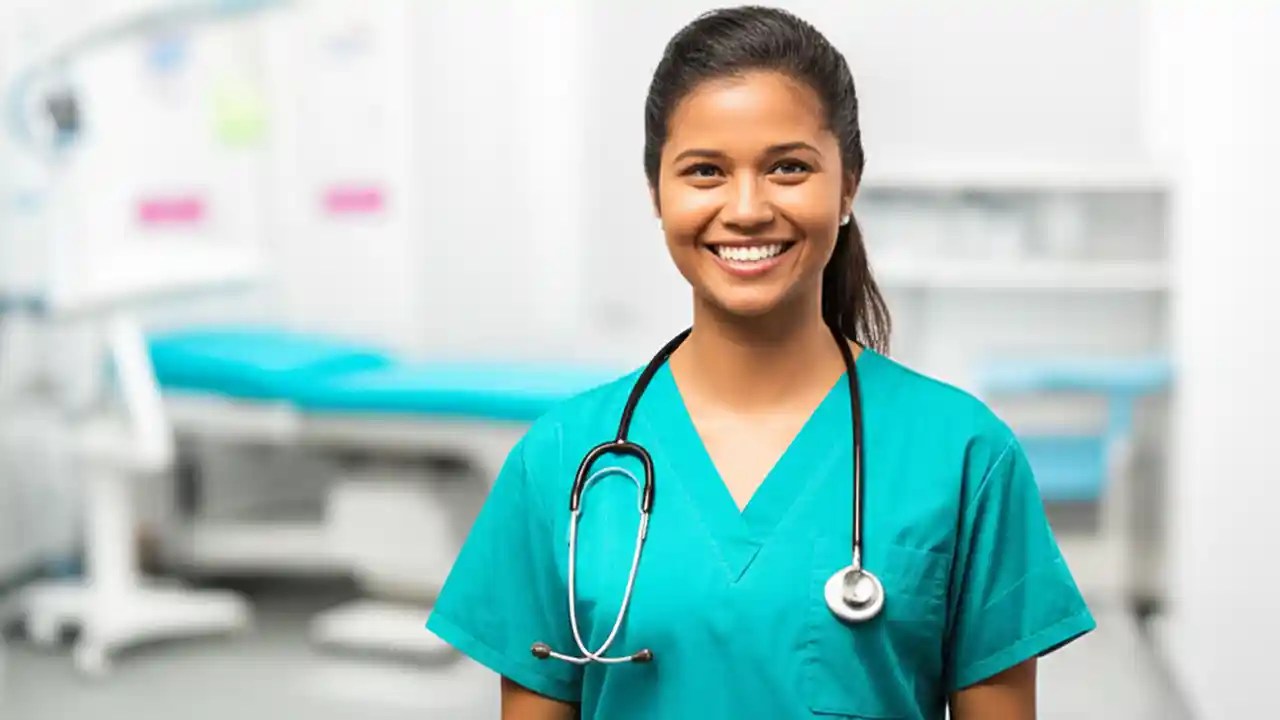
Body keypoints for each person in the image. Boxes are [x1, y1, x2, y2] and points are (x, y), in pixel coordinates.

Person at [425, 6, 1095, 718]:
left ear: (848, 186)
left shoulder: (962, 454)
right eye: (705, 171)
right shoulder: (561, 460)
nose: (746, 209)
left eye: (789, 167)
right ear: (657, 192)